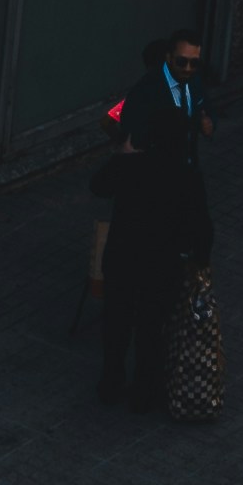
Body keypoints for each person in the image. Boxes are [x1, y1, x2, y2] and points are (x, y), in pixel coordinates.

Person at [89, 38, 214, 414]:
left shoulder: (134, 165)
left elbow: (99, 186)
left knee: (117, 324)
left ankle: (111, 383)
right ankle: (146, 393)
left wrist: (123, 154)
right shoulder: (185, 175)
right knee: (151, 329)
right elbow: (203, 226)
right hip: (162, 264)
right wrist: (199, 261)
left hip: (124, 256)